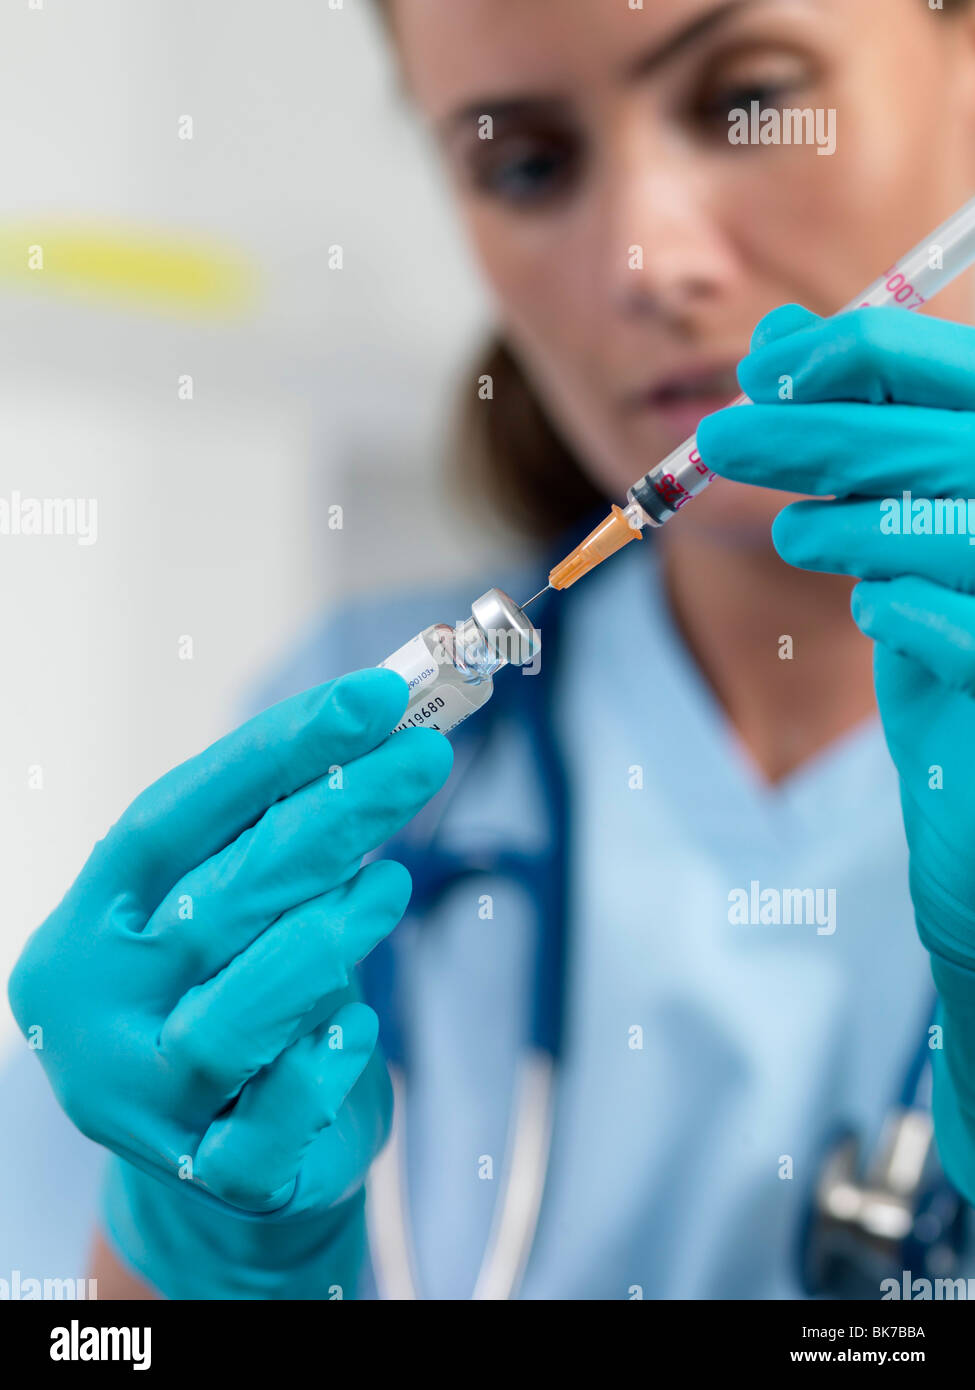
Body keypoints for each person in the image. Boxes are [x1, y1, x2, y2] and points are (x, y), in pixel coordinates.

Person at [9, 0, 975, 1299]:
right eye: (525, 163)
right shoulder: (353, 750)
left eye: (749, 102)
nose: (648, 259)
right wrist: (198, 1262)